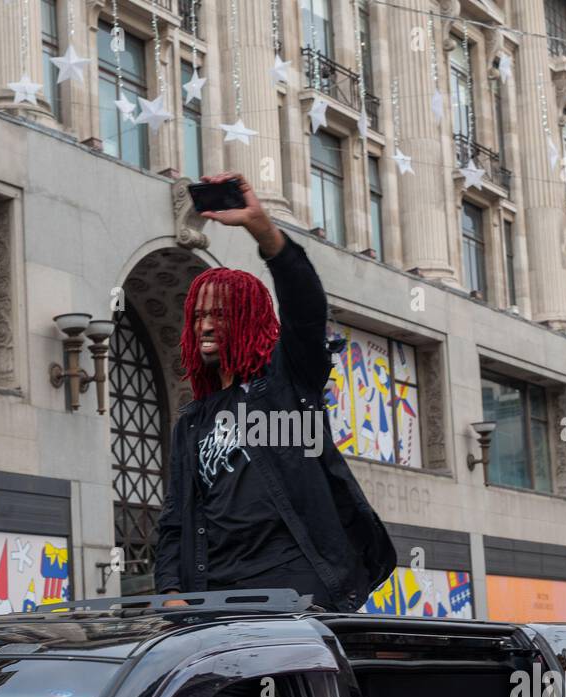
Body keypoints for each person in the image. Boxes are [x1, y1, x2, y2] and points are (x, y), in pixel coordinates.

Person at [155, 172, 395, 611]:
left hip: (293, 589)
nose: (205, 325)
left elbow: (306, 307)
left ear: (249, 321)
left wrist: (261, 227)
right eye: (198, 317)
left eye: (220, 315)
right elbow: (174, 518)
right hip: (212, 596)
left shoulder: (286, 384)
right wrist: (171, 593)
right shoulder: (192, 421)